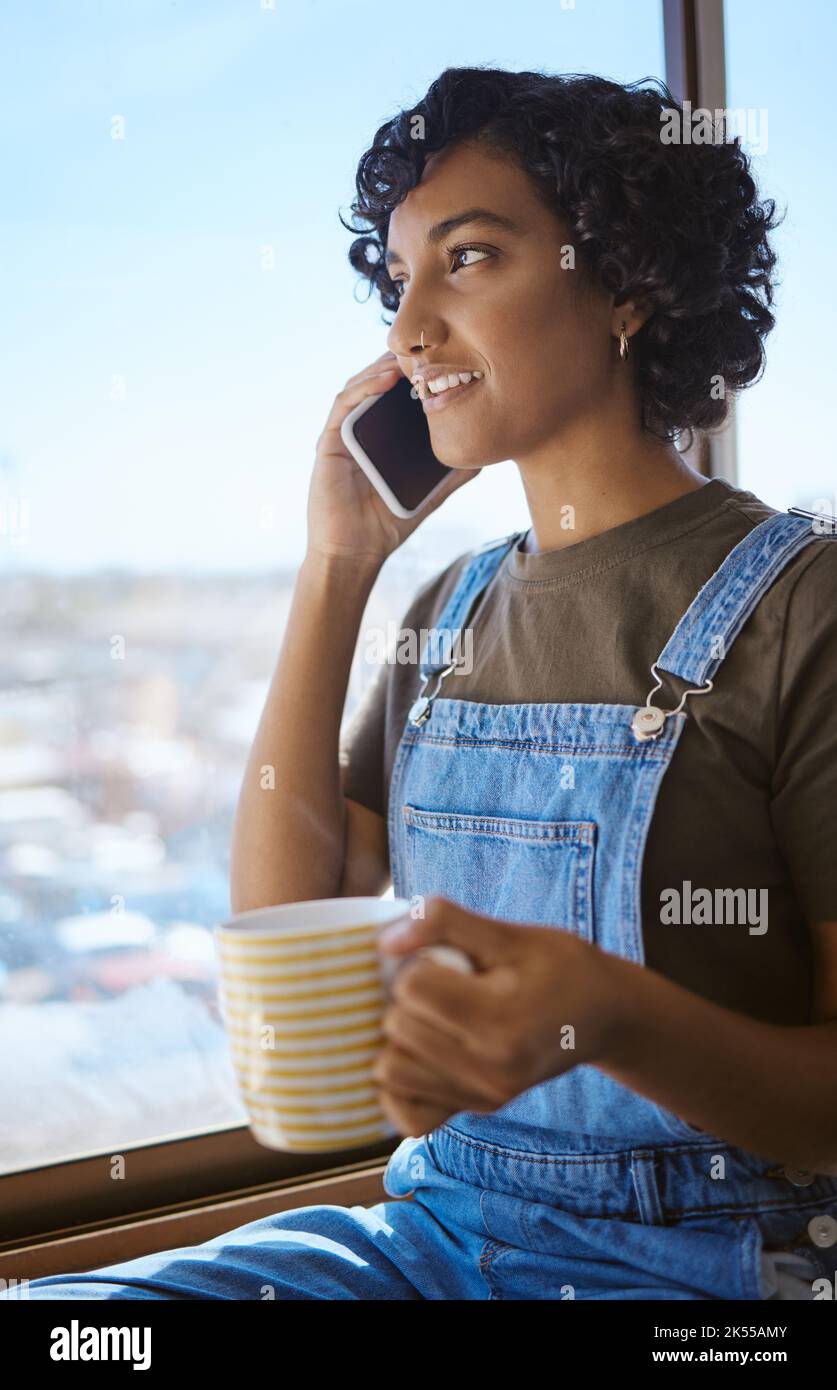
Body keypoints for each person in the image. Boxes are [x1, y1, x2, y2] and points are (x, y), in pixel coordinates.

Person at [8, 66, 837, 1302]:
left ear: (624, 283)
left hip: (717, 1282)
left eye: (470, 258)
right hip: (434, 1239)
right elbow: (284, 937)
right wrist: (337, 567)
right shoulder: (449, 612)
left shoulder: (802, 605)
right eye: (399, 280)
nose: (406, 329)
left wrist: (612, 1013)